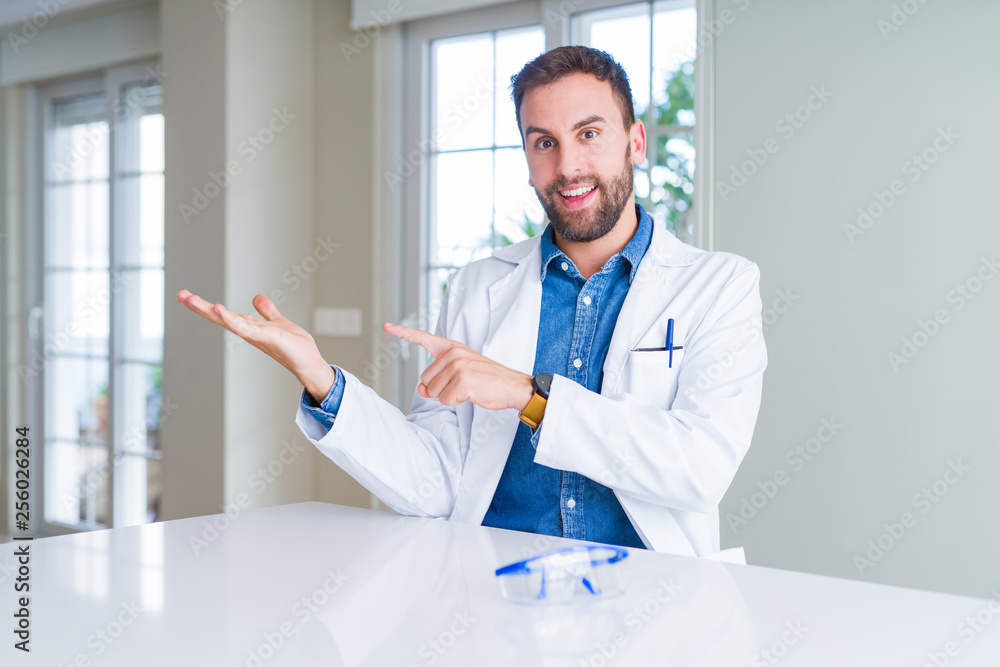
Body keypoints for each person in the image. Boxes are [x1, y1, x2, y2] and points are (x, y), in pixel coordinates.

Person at [178, 46, 766, 557]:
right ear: (528, 159)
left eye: (589, 134)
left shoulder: (718, 286)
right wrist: (321, 380)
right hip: (492, 592)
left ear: (635, 141)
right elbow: (435, 478)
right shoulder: (475, 286)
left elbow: (701, 466)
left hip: (649, 603)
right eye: (544, 142)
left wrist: (528, 398)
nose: (568, 166)